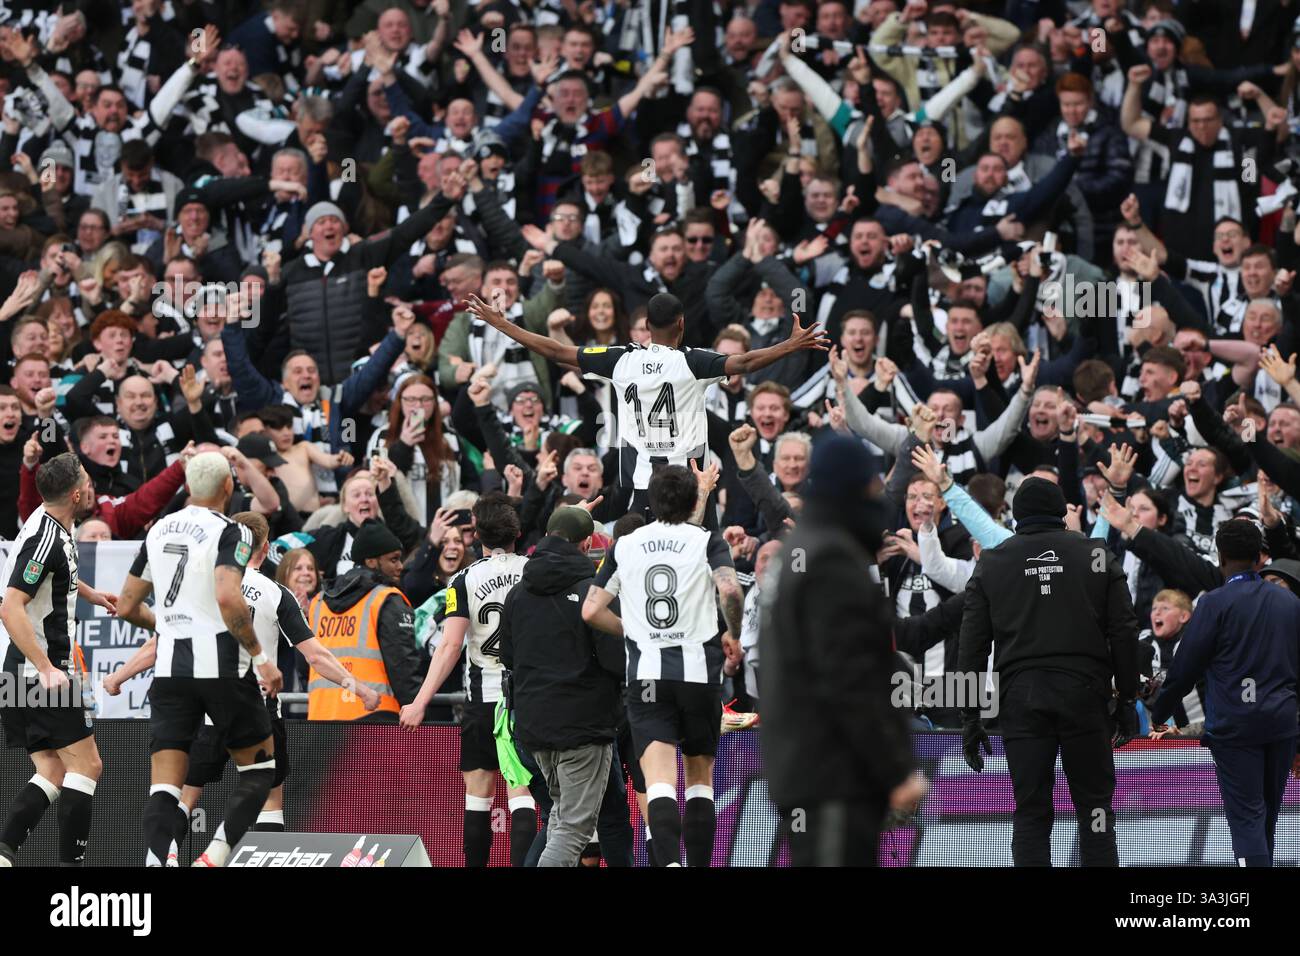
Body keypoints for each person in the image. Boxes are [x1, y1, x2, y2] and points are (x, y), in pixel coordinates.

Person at [103, 512, 378, 853]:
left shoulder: (201, 589)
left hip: (206, 708)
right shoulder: (275, 593)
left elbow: (159, 645)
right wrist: (360, 688)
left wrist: (118, 676)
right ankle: (219, 854)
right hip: (255, 706)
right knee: (269, 797)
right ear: (264, 549)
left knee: (184, 796)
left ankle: (166, 858)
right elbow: (316, 656)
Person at [464, 290, 829, 516]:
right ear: (682, 324)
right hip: (690, 483)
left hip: (642, 485)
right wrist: (790, 344)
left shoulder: (620, 359)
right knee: (709, 565)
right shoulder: (694, 361)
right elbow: (745, 362)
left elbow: (557, 350)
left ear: (648, 326)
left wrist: (502, 325)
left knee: (627, 563)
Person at [958, 476, 1140, 867]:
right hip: (1085, 696)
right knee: (1095, 812)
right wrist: (1127, 698)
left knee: (1031, 812)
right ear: (1062, 512)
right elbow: (1124, 630)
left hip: (1021, 699)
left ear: (1016, 515)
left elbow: (972, 645)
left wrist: (969, 715)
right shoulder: (1095, 554)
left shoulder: (993, 562)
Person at [761, 436, 926, 866]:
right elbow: (849, 679)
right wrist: (894, 770)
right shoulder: (831, 558)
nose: (877, 492)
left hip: (810, 766)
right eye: (871, 482)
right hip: (833, 772)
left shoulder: (805, 548)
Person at [115, 451, 285, 868]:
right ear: (229, 487)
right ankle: (214, 857)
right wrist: (261, 657)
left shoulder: (156, 532)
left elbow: (126, 606)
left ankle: (161, 863)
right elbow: (229, 595)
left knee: (165, 788)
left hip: (171, 672)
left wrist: (168, 625)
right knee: (260, 772)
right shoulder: (233, 532)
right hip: (223, 670)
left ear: (188, 486)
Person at [581, 465, 743, 867]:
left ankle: (669, 864)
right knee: (700, 782)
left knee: (659, 783)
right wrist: (733, 633)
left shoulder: (626, 545)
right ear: (693, 503)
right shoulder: (707, 541)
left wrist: (631, 631)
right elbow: (730, 589)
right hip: (698, 676)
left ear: (651, 502)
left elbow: (590, 611)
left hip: (647, 676)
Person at [1147, 521, 1300, 867]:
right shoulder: (1289, 602)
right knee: (1267, 819)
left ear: (1221, 555)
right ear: (1260, 557)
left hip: (1236, 725)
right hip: (1281, 723)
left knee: (1247, 819)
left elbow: (1185, 667)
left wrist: (1160, 712)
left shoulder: (1215, 603)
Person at [398, 492, 537, 867]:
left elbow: (449, 646)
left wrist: (420, 701)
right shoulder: (533, 572)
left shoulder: (463, 579)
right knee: (521, 794)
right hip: (524, 700)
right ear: (517, 531)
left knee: (478, 797)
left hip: (482, 699)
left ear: (476, 534)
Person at [0, 453, 116, 866]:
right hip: (42, 672)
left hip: (19, 672)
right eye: (87, 481)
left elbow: (54, 570)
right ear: (78, 493)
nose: (92, 487)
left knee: (51, 770)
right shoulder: (45, 538)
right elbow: (10, 606)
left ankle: (4, 853)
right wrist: (48, 669)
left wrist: (90, 594)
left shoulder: (49, 520)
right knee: (89, 766)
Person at [498, 506, 626, 867]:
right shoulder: (593, 591)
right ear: (587, 544)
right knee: (574, 828)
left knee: (558, 816)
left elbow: (508, 656)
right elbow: (616, 661)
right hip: (582, 726)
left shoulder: (518, 593)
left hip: (533, 727)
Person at [304, 519, 420, 721]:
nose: (401, 566)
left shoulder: (318, 602)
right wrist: (418, 709)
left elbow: (304, 663)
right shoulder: (386, 599)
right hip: (375, 716)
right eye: (393, 560)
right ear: (371, 562)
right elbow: (403, 666)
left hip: (321, 717)